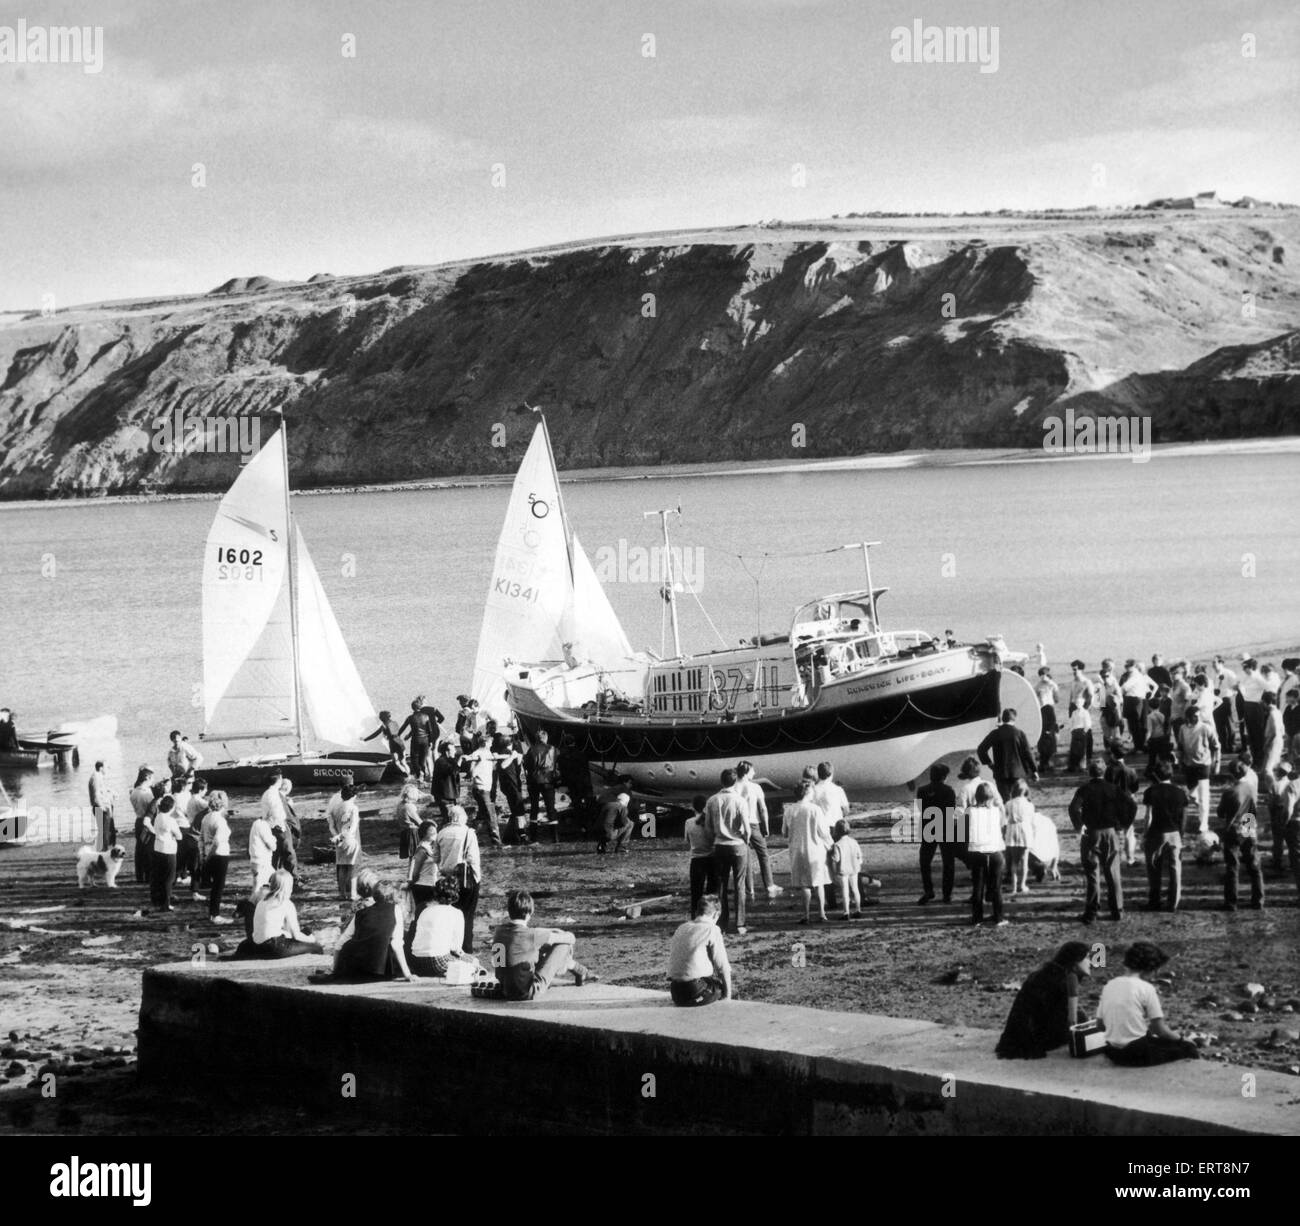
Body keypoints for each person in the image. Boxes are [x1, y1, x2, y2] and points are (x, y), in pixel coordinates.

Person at [1098, 942, 1199, 1066]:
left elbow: (1100, 1025)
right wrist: (1182, 1040)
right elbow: (1159, 1030)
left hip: (1112, 1052)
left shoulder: (1109, 985)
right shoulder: (1146, 988)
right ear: (1150, 968)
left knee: (1150, 1038)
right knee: (1187, 1048)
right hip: (1137, 1053)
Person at [491, 889, 595, 999]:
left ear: (509, 911)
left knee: (536, 948)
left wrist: (548, 931)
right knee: (562, 945)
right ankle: (580, 971)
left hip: (505, 989)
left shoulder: (498, 932)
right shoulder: (533, 935)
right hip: (530, 991)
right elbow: (571, 938)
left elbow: (498, 965)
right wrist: (560, 932)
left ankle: (580, 971)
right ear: (529, 913)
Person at [995, 942, 1092, 1059]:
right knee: (1082, 1018)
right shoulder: (1071, 978)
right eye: (1086, 958)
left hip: (1019, 1035)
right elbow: (1073, 1021)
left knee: (1080, 1014)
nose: (1090, 962)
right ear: (1075, 961)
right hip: (1041, 1037)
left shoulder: (1044, 973)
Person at [1068, 759, 1133, 924]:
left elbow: (1074, 808)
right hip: (1110, 833)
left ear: (1089, 772)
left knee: (1092, 873)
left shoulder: (1084, 789)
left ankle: (1091, 912)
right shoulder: (1113, 789)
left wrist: (1079, 825)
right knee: (1113, 872)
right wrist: (1123, 824)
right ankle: (1117, 910)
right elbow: (1131, 805)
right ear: (1104, 772)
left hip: (1091, 833)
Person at [328, 873, 414, 981]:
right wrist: (408, 974)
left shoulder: (360, 912)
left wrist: (335, 971)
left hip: (352, 967)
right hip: (378, 969)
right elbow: (396, 944)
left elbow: (339, 944)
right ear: (394, 895)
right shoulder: (395, 910)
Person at [705, 769, 750, 935]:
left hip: (720, 844)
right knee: (739, 885)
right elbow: (747, 828)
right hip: (738, 844)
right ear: (735, 781)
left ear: (721, 781)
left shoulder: (712, 800)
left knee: (721, 885)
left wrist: (713, 840)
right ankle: (740, 924)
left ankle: (722, 923)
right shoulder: (740, 800)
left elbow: (708, 827)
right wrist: (746, 840)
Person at [667, 894, 733, 1006]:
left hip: (675, 992)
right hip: (694, 990)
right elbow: (722, 966)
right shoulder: (712, 929)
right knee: (719, 987)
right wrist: (728, 995)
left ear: (697, 912)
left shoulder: (682, 927)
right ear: (716, 914)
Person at [242, 869, 323, 959]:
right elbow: (296, 935)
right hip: (274, 947)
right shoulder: (286, 903)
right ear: (289, 887)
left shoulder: (262, 901)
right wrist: (312, 940)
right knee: (316, 947)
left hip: (256, 946)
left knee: (301, 934)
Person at [1140, 761, 1189, 912]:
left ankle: (1154, 900)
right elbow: (1183, 817)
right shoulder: (1180, 792)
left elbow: (1148, 816)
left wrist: (1144, 834)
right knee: (1175, 870)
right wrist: (1181, 834)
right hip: (1174, 833)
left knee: (1154, 869)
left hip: (1156, 832)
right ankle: (1173, 902)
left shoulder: (1151, 791)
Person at [782, 778, 832, 924]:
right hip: (815, 849)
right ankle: (822, 913)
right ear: (808, 792)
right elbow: (823, 832)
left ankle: (806, 914)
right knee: (818, 882)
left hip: (797, 850)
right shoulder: (815, 809)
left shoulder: (789, 810)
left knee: (804, 884)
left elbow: (784, 832)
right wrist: (831, 845)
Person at [1217, 761, 1263, 911]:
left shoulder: (1229, 792)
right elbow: (1253, 809)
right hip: (1248, 822)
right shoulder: (1251, 788)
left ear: (1232, 774)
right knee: (1254, 866)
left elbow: (1220, 813)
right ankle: (1258, 900)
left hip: (1234, 827)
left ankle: (1231, 902)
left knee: (1232, 866)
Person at [435, 804, 481, 953]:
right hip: (467, 879)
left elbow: (436, 857)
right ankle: (466, 948)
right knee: (467, 915)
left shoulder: (440, 833)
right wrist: (477, 878)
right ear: (460, 817)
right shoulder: (468, 833)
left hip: (447, 879)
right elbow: (473, 859)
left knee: (450, 914)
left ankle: (450, 948)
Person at [407, 876, 472, 976]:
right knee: (473, 963)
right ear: (456, 894)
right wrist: (467, 958)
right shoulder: (457, 913)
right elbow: (456, 948)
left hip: (416, 963)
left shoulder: (426, 910)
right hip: (437, 961)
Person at [735, 760, 781, 899]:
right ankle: (769, 885)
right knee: (763, 854)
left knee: (746, 857)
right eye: (752, 770)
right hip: (753, 823)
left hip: (738, 826)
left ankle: (750, 889)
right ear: (747, 772)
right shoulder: (755, 787)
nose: (754, 773)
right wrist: (766, 826)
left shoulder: (734, 786)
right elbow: (762, 808)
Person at [916, 762, 960, 905]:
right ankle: (947, 894)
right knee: (948, 862)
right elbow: (951, 810)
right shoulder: (949, 791)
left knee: (925, 861)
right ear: (945, 777)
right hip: (945, 826)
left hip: (929, 826)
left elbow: (920, 809)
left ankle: (928, 890)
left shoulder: (922, 790)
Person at [965, 782, 1007, 926]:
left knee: (978, 887)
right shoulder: (996, 811)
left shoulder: (970, 811)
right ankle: (998, 917)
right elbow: (1002, 825)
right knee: (996, 887)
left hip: (977, 852)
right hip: (995, 850)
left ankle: (977, 918)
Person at [977, 708, 1039, 802]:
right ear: (1014, 719)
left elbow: (981, 749)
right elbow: (1028, 753)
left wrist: (990, 764)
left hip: (1001, 774)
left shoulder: (995, 733)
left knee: (1005, 801)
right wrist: (1034, 770)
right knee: (1019, 800)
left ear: (1003, 718)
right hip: (1018, 773)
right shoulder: (1019, 733)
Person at [1176, 707, 1221, 834]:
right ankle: (1247, 836)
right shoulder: (1183, 729)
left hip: (1203, 765)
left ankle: (1204, 823)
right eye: (1195, 716)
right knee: (1193, 794)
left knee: (1203, 796)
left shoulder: (1205, 728)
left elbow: (1216, 746)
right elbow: (1180, 745)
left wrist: (1216, 763)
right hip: (1189, 765)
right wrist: (1179, 761)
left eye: (1198, 715)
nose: (1198, 718)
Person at [1104, 741, 1141, 866]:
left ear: (1113, 755)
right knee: (1129, 832)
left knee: (1114, 833)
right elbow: (1135, 789)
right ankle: (1130, 859)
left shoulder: (1109, 771)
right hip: (1127, 804)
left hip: (1113, 804)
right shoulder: (1131, 771)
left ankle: (1116, 859)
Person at [465, 732, 503, 849]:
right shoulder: (476, 754)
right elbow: (472, 773)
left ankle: (472, 839)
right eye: (490, 742)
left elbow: (492, 768)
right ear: (486, 743)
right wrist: (480, 761)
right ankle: (497, 844)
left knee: (483, 815)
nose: (492, 744)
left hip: (486, 788)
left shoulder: (488, 753)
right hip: (481, 789)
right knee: (491, 816)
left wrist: (495, 759)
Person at [200, 790, 234, 924]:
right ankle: (215, 915)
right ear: (222, 806)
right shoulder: (220, 821)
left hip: (208, 851)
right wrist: (209, 855)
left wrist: (203, 853)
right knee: (218, 886)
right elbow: (217, 841)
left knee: (215, 886)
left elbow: (201, 838)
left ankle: (213, 912)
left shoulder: (206, 817)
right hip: (219, 854)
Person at [683, 794, 718, 917]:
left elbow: (687, 840)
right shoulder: (711, 821)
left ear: (693, 807)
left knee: (696, 892)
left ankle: (695, 915)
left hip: (697, 859)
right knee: (712, 891)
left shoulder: (688, 822)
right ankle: (712, 915)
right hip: (711, 858)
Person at [327, 783, 362, 900]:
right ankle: (352, 894)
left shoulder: (335, 808)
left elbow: (331, 826)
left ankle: (342, 893)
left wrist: (337, 836)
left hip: (338, 840)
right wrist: (344, 835)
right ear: (353, 796)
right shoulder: (353, 808)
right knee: (353, 867)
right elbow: (353, 827)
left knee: (341, 866)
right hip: (350, 839)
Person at [148, 795, 183, 912]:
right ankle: (166, 904)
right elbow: (179, 836)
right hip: (168, 850)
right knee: (169, 878)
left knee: (158, 876)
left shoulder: (158, 816)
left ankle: (156, 899)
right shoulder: (171, 820)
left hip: (158, 848)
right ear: (171, 808)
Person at [1001, 779, 1035, 895]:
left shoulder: (1009, 803)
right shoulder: (1029, 804)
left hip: (1012, 831)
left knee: (1014, 862)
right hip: (1025, 831)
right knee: (1024, 860)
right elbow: (1031, 821)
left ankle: (1014, 886)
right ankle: (1022, 884)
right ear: (1025, 791)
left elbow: (1004, 820)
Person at [523, 728, 560, 828]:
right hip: (548, 780)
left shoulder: (531, 749)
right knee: (550, 808)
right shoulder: (553, 749)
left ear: (536, 738)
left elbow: (526, 765)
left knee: (534, 807)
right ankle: (555, 837)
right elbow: (557, 762)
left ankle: (533, 835)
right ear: (546, 738)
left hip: (534, 780)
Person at [1267, 761, 1298, 876]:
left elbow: (1271, 802)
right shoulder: (1291, 783)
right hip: (1290, 812)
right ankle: (1291, 862)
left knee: (1277, 839)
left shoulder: (1275, 785)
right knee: (1290, 840)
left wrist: (1271, 813)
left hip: (1278, 811)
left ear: (1279, 772)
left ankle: (1277, 861)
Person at [129, 767, 157, 884]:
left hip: (138, 820)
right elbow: (152, 808)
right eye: (152, 778)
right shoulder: (146, 794)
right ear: (147, 778)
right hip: (147, 821)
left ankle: (140, 875)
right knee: (148, 849)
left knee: (139, 850)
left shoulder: (134, 791)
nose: (153, 781)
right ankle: (149, 875)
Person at [830, 819, 863, 919]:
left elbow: (836, 859)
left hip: (843, 869)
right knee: (855, 889)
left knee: (845, 891)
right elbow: (859, 856)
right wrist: (858, 864)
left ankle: (846, 912)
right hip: (854, 868)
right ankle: (858, 909)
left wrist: (833, 870)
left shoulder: (837, 845)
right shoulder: (854, 842)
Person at [407, 820, 442, 915]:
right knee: (423, 914)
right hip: (422, 886)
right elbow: (414, 871)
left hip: (432, 885)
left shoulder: (433, 846)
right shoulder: (422, 849)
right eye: (431, 831)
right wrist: (411, 884)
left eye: (435, 831)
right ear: (424, 833)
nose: (435, 833)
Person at [1121, 661, 1156, 751]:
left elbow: (1125, 687)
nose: (1127, 668)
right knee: (1137, 724)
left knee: (1135, 725)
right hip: (1136, 700)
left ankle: (1139, 746)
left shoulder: (1134, 675)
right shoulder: (1136, 675)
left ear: (1134, 666)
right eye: (1126, 666)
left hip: (1134, 700)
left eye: (1129, 666)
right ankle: (1140, 746)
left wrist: (1120, 694)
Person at [363, 710, 410, 777]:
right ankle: (408, 775)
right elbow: (397, 732)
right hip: (400, 742)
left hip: (393, 744)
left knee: (396, 762)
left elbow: (375, 734)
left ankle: (405, 773)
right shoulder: (395, 722)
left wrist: (365, 739)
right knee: (403, 762)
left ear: (382, 718)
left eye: (380, 717)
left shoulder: (384, 725)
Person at [398, 699, 435, 783]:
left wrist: (398, 735)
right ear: (420, 707)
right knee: (423, 759)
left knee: (414, 759)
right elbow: (430, 730)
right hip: (425, 740)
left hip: (415, 740)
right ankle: (423, 774)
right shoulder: (426, 716)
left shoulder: (410, 718)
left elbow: (403, 728)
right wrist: (431, 741)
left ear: (412, 708)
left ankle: (419, 774)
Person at [393, 782, 427, 863]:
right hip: (413, 833)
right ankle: (412, 874)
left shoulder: (400, 805)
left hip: (405, 832)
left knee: (412, 858)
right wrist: (428, 827)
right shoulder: (409, 807)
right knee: (415, 857)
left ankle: (410, 873)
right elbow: (418, 821)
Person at [1034, 666, 1060, 772]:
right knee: (1043, 735)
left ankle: (1048, 761)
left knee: (1051, 735)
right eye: (1042, 674)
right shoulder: (1037, 686)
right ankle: (1043, 762)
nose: (1043, 676)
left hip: (1049, 709)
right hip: (1042, 710)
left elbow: (1057, 698)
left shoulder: (1052, 684)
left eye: (1045, 674)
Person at [248, 804, 276, 892]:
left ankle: (260, 902)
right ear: (271, 818)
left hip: (257, 861)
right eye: (276, 821)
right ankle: (253, 903)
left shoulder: (257, 823)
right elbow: (272, 847)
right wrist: (274, 839)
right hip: (261, 862)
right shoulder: (264, 826)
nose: (275, 824)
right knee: (258, 886)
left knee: (273, 880)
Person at [88, 761, 115, 852]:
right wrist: (101, 806)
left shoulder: (99, 777)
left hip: (102, 806)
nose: (107, 770)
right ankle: (103, 851)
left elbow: (101, 791)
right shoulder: (96, 777)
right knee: (104, 831)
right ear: (101, 768)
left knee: (105, 830)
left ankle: (102, 850)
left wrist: (111, 793)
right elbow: (95, 794)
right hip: (100, 807)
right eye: (106, 767)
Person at [431, 741, 461, 819]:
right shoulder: (441, 761)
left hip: (448, 795)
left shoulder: (450, 760)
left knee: (451, 815)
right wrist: (460, 760)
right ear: (447, 752)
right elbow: (452, 771)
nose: (455, 751)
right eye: (453, 749)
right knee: (450, 817)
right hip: (444, 796)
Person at [596, 790, 634, 854]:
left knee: (606, 826)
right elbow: (623, 822)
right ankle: (621, 848)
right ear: (626, 802)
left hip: (597, 833)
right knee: (630, 823)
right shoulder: (622, 807)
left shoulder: (607, 805)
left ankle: (601, 846)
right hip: (608, 834)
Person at [1067, 702, 1092, 772]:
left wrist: (1084, 731)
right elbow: (1071, 722)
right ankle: (1073, 766)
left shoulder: (1085, 712)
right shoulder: (1074, 712)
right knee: (1074, 750)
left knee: (1082, 750)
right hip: (1075, 731)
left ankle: (1082, 766)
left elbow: (1088, 723)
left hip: (1082, 731)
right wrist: (1072, 730)